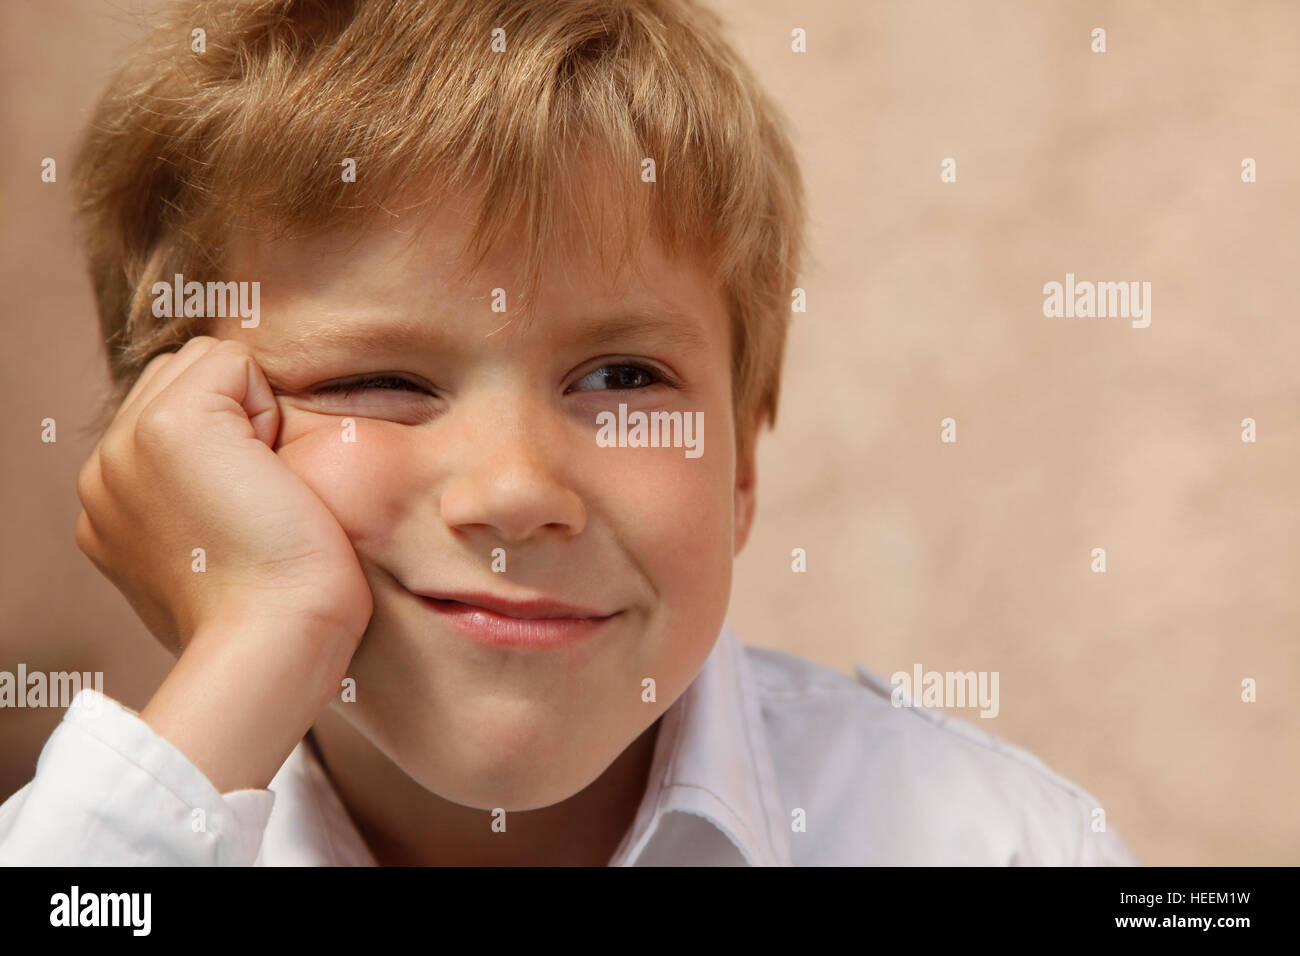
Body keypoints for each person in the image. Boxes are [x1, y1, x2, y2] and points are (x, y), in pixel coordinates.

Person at [0, 0, 1136, 866]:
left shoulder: (1004, 843)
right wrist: (256, 641)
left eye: (622, 374)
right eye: (379, 377)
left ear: (741, 460)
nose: (512, 487)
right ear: (180, 449)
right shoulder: (112, 835)